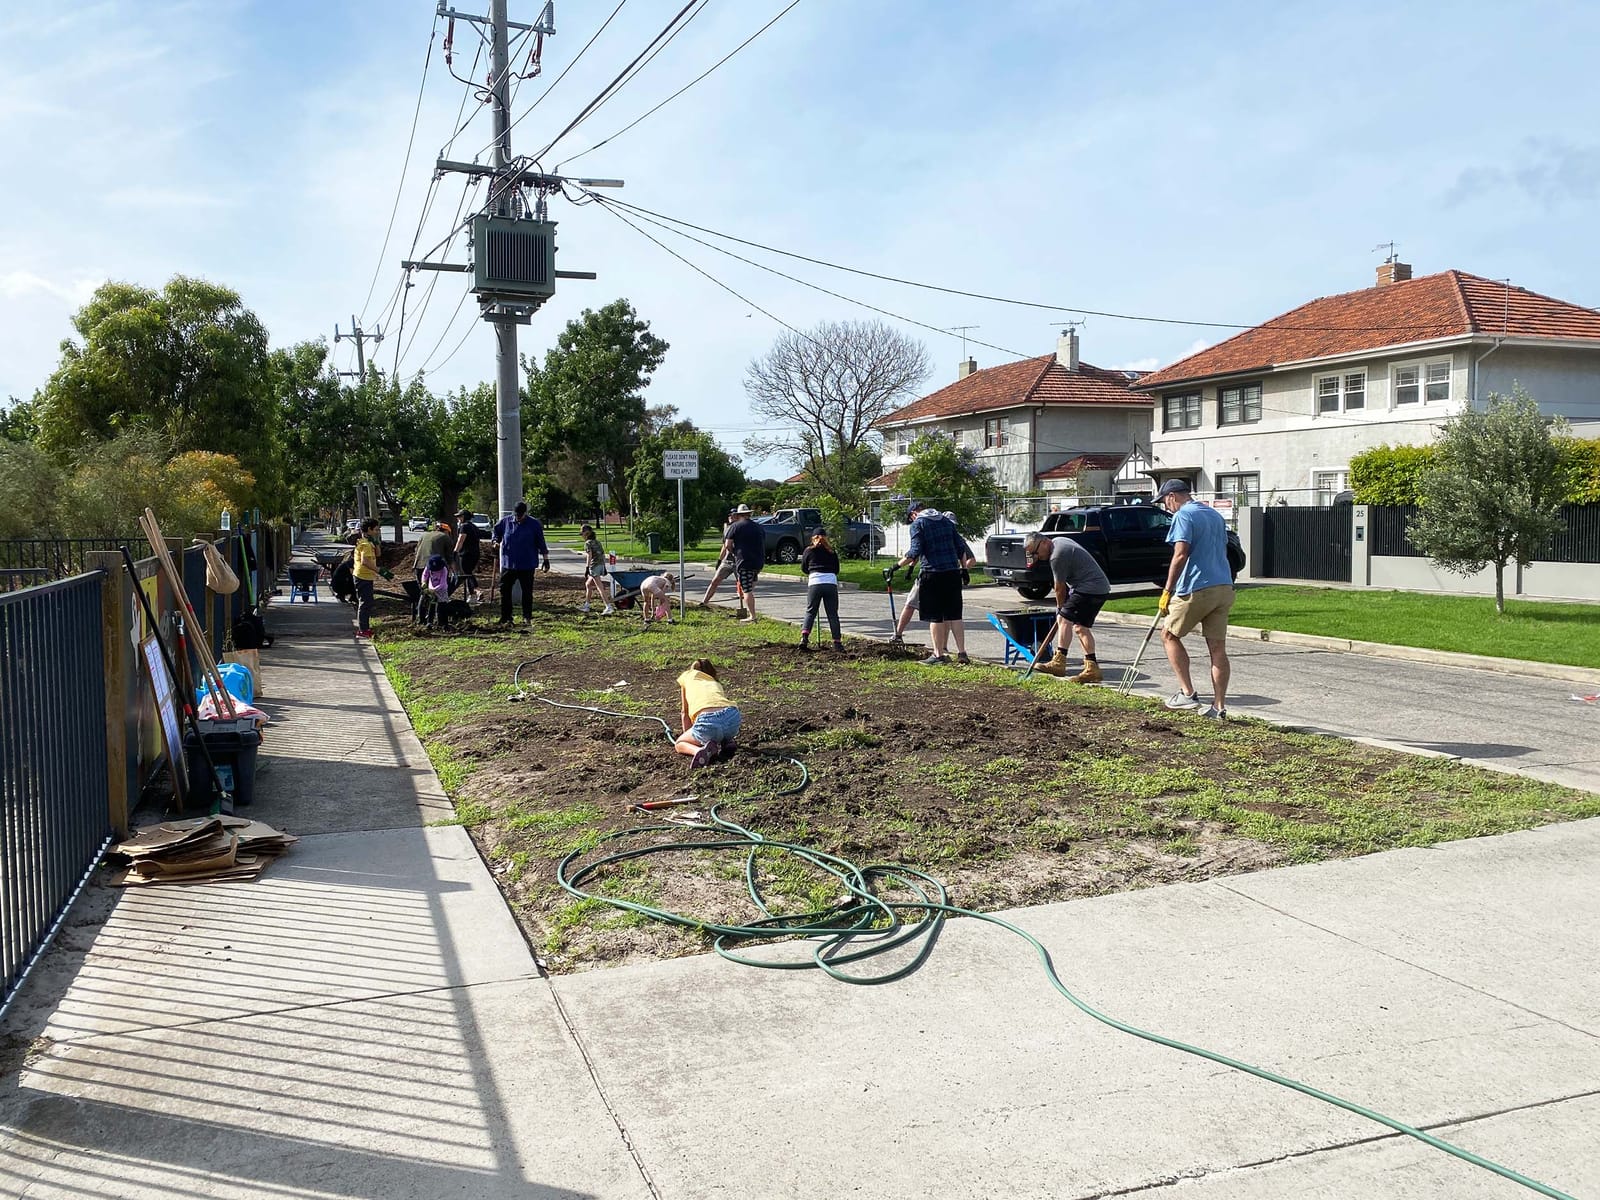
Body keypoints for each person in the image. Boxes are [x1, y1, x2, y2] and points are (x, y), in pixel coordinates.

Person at [1154, 479, 1235, 719]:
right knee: (1217, 648)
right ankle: (1218, 708)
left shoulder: (1184, 515)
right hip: (1224, 585)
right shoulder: (1214, 515)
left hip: (1197, 587)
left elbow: (1180, 554)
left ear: (1172, 497)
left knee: (1168, 635)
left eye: (1165, 502)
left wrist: (1167, 590)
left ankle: (1187, 694)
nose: (1166, 508)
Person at [890, 501, 977, 665]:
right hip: (952, 574)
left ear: (914, 514)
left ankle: (938, 655)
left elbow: (915, 551)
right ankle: (962, 653)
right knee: (955, 615)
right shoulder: (945, 521)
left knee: (935, 616)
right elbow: (960, 547)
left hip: (933, 574)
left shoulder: (918, 524)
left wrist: (896, 566)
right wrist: (964, 570)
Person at [1024, 530, 1112, 683]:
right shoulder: (1058, 541)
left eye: (1036, 552)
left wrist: (1060, 609)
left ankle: (1059, 662)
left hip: (1089, 588)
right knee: (1081, 628)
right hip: (1098, 588)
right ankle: (1092, 669)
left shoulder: (1057, 555)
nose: (1037, 557)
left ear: (1044, 542)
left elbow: (1059, 588)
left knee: (1064, 619)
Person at [674, 658, 741, 768]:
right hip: (733, 717)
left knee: (679, 744)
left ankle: (698, 751)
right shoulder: (714, 682)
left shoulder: (687, 677)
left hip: (708, 723)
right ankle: (727, 742)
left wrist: (690, 736)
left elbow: (684, 713)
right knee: (722, 722)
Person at [492, 501, 550, 626]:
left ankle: (527, 617)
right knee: (504, 590)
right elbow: (496, 532)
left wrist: (546, 559)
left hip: (527, 564)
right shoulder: (506, 522)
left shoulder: (534, 524)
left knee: (527, 591)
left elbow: (541, 542)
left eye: (521, 515)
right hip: (509, 564)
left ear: (525, 513)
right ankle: (506, 617)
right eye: (517, 514)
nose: (518, 517)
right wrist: (495, 541)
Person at [714, 504, 765, 623]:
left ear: (738, 515)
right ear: (749, 514)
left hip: (744, 561)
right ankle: (750, 610)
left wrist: (734, 552)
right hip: (758, 561)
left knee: (746, 590)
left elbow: (727, 545)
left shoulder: (735, 527)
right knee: (751, 585)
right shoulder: (758, 527)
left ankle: (752, 616)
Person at [798, 527, 843, 651]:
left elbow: (803, 568)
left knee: (810, 611)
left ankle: (804, 638)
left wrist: (812, 572)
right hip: (830, 583)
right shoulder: (832, 552)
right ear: (826, 538)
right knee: (832, 614)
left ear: (813, 538)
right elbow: (837, 570)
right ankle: (837, 643)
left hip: (815, 582)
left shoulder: (808, 551)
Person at [697, 513, 739, 607]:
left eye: (734, 515)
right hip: (727, 561)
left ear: (738, 517)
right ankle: (704, 602)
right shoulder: (727, 530)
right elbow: (724, 547)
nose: (731, 517)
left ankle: (746, 608)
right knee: (715, 581)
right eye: (730, 515)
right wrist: (719, 560)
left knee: (742, 585)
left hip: (739, 561)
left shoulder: (742, 529)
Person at [352, 518, 381, 639]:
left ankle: (365, 628)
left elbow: (378, 554)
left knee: (367, 602)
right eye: (375, 529)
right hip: (363, 576)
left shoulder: (367, 542)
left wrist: (376, 543)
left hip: (365, 576)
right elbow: (365, 561)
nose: (378, 531)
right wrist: (378, 570)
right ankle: (363, 630)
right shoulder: (365, 544)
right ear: (369, 529)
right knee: (365, 603)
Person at [579, 524, 615, 614]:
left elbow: (589, 556)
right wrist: (604, 566)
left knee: (600, 587)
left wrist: (587, 568)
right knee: (588, 584)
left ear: (586, 534)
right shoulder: (597, 542)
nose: (582, 536)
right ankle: (587, 605)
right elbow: (602, 555)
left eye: (582, 534)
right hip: (600, 565)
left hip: (593, 566)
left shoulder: (588, 543)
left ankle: (608, 606)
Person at [454, 510, 484, 603]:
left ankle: (476, 590)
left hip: (466, 554)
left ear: (464, 517)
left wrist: (455, 551)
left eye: (459, 516)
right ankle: (472, 595)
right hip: (475, 553)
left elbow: (461, 540)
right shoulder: (473, 526)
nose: (458, 519)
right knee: (468, 573)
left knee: (466, 573)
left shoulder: (464, 526)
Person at [418, 553, 450, 630]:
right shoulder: (428, 567)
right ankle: (429, 622)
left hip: (441, 590)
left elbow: (442, 583)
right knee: (431, 606)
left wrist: (434, 589)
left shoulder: (444, 570)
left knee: (442, 606)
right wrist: (424, 582)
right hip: (431, 589)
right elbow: (424, 575)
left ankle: (443, 623)